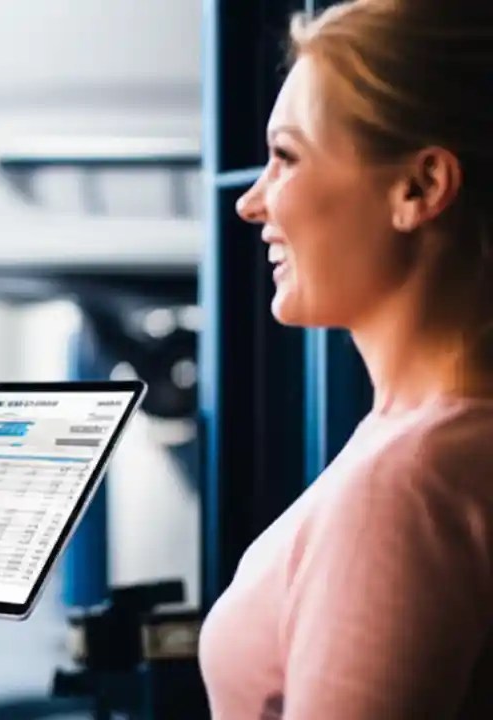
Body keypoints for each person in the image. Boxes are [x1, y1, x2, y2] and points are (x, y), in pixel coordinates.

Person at [198, 0, 493, 717]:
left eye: (287, 157)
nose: (250, 203)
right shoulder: (435, 445)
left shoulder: (404, 486)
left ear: (420, 188)